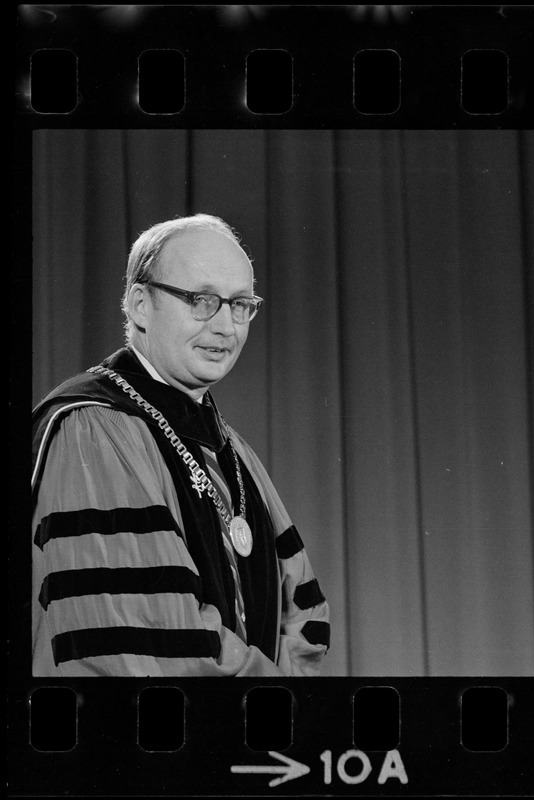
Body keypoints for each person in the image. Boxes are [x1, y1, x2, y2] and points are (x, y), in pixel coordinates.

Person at [31, 213, 330, 676]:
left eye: (240, 304)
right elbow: (139, 636)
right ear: (139, 304)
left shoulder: (232, 450)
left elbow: (305, 615)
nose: (226, 327)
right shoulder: (92, 430)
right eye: (201, 300)